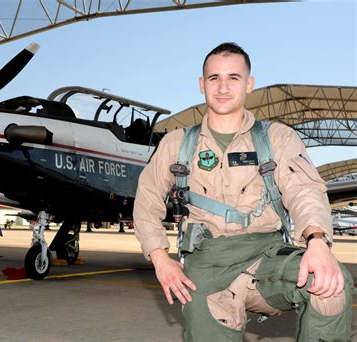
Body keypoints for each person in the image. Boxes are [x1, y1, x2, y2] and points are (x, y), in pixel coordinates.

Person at [133, 42, 353, 341]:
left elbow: (305, 192)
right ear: (202, 84)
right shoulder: (177, 144)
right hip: (207, 267)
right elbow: (147, 200)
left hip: (267, 256)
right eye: (214, 78)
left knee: (330, 283)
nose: (223, 87)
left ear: (249, 84)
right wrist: (160, 258)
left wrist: (317, 241)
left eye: (233, 78)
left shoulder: (276, 138)